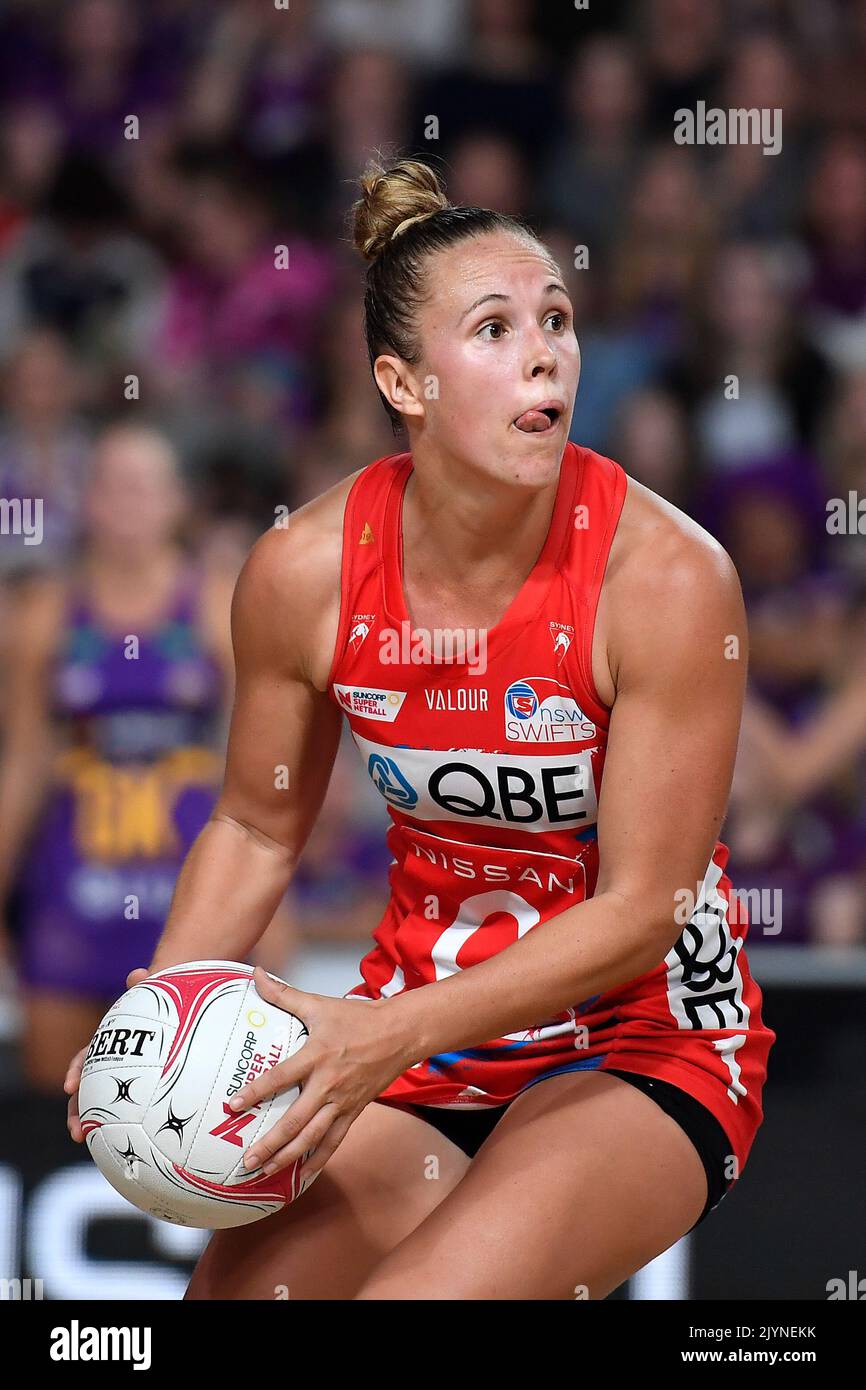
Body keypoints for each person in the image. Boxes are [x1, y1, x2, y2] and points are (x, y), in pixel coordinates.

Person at [66, 157, 775, 1301]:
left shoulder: (667, 576)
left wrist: (386, 1034)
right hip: (422, 1045)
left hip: (644, 1044)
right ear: (404, 382)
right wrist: (156, 1017)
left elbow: (644, 910)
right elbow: (254, 825)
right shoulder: (303, 571)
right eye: (493, 328)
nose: (544, 349)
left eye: (555, 318)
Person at [0, 422, 292, 1089]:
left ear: (176, 501)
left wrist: (277, 912)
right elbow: (22, 764)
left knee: (192, 1105)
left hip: (192, 892)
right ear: (89, 500)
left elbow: (265, 776)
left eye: (145, 486)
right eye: (112, 485)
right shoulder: (45, 612)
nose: (128, 502)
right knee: (57, 1107)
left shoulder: (219, 601)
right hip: (71, 892)